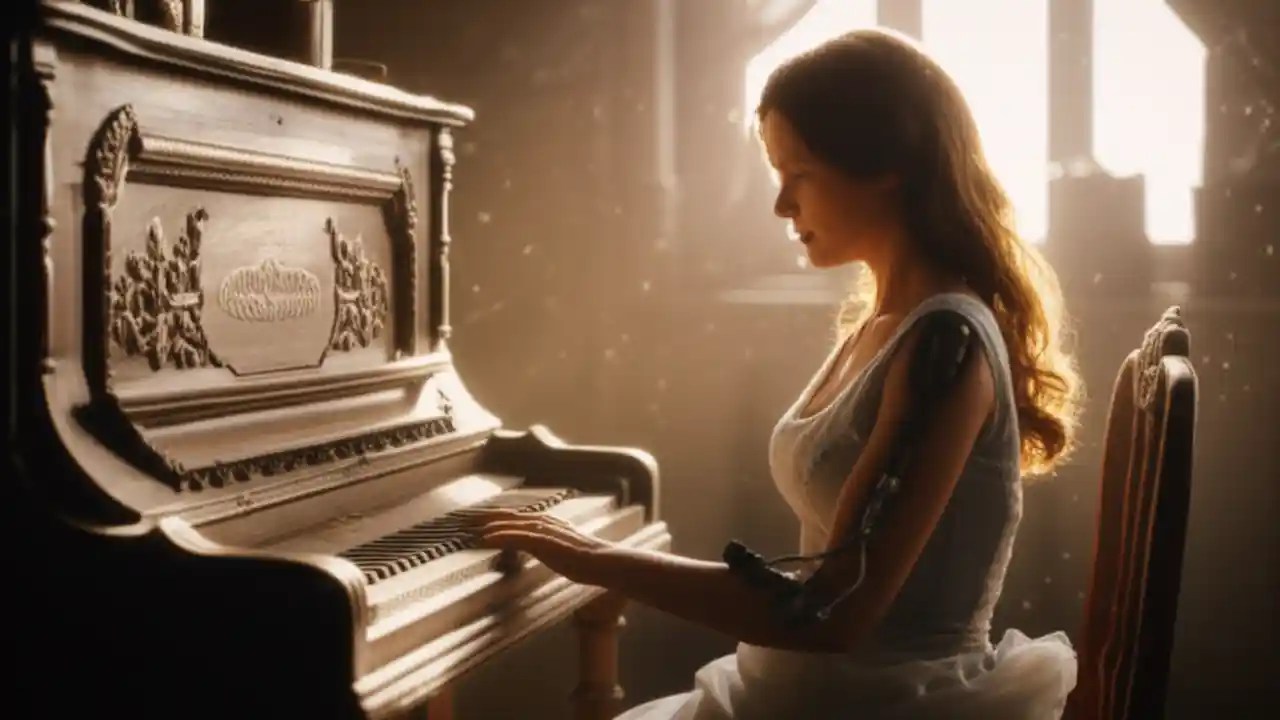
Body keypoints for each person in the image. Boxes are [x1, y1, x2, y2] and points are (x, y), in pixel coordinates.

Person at [471, 28, 1083, 719]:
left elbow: (834, 613)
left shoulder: (945, 344)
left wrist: (595, 561)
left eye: (799, 175)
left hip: (887, 704)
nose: (781, 206)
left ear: (885, 165)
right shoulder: (886, 323)